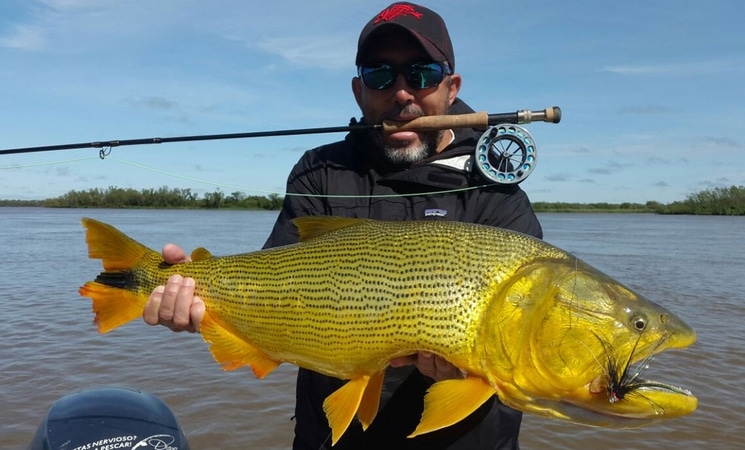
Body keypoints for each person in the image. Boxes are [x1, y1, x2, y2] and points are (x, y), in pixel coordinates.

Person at [144, 2, 543, 449]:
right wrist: (204, 301)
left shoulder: (496, 193)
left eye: (422, 73)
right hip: (331, 437)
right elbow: (274, 280)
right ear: (358, 91)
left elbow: (524, 347)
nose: (402, 93)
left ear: (452, 88)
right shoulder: (321, 171)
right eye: (379, 75)